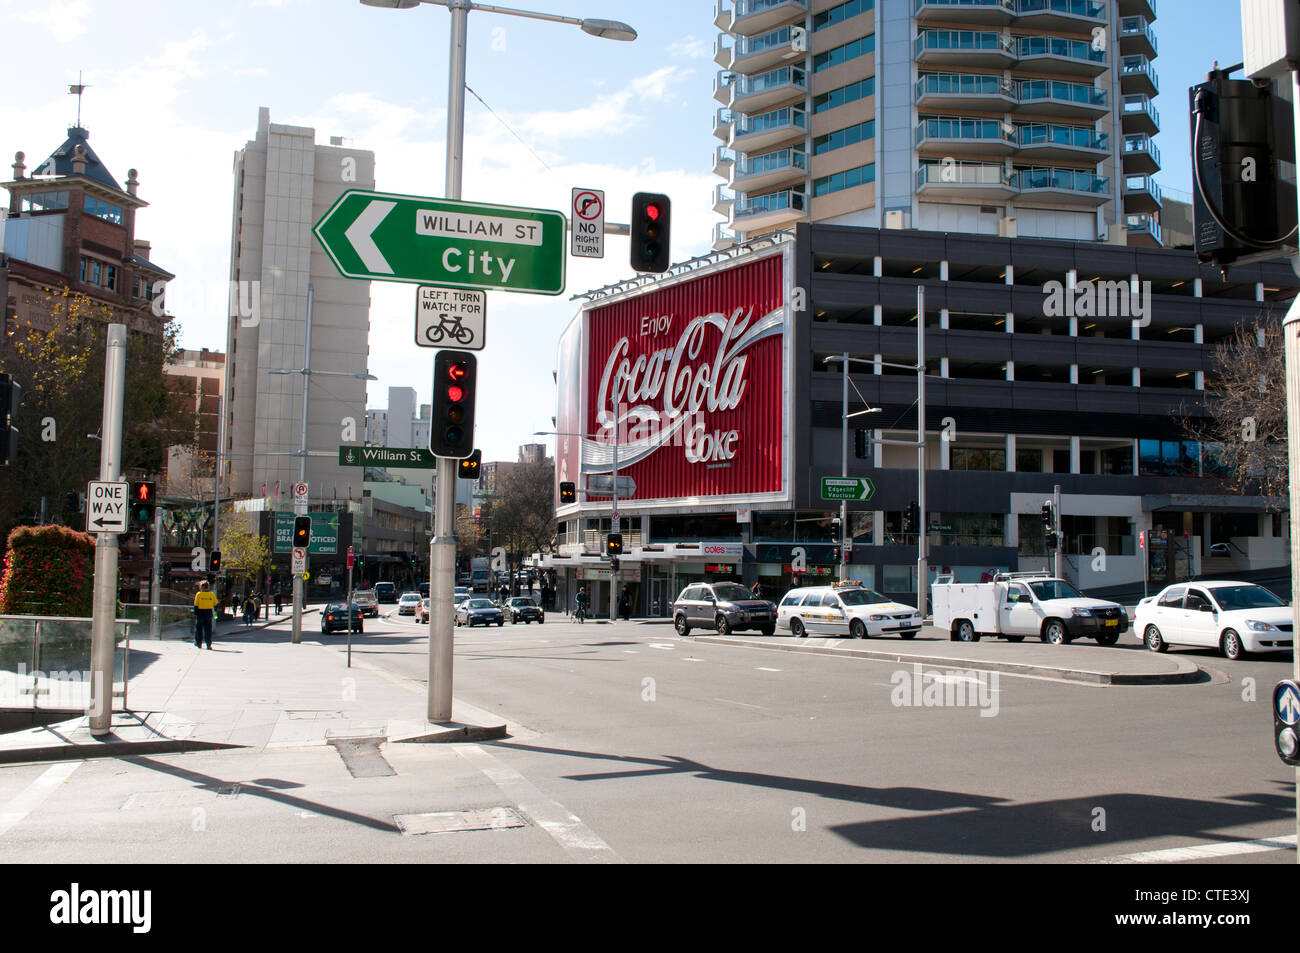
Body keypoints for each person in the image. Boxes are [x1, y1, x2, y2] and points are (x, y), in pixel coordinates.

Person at [194, 581, 218, 650]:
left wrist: (196, 613)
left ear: (201, 587)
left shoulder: (198, 594)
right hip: (208, 613)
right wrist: (214, 611)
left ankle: (199, 643)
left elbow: (196, 605)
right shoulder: (211, 594)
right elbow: (216, 604)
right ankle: (208, 644)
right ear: (208, 587)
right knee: (208, 630)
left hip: (200, 613)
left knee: (199, 629)